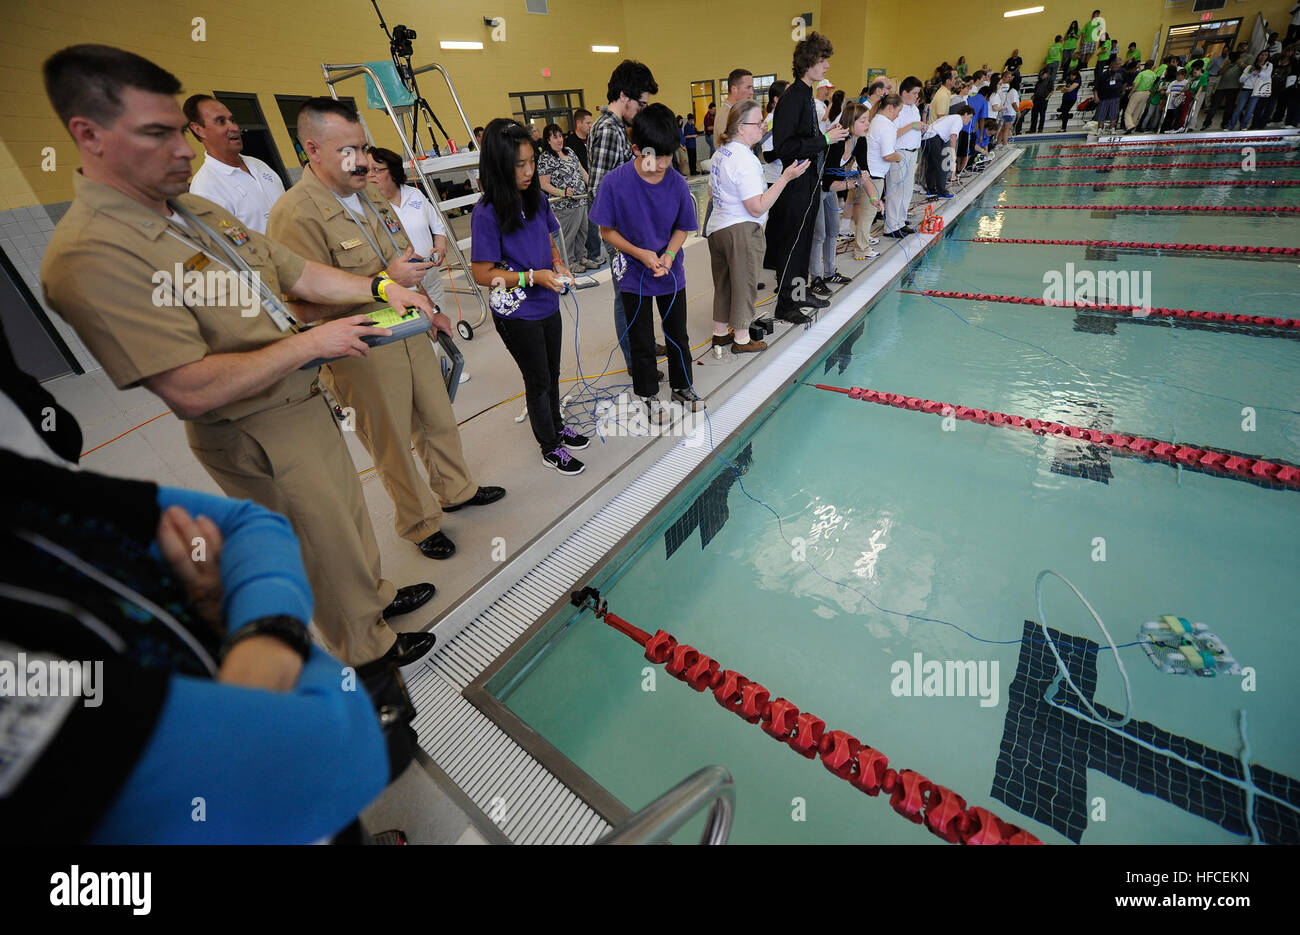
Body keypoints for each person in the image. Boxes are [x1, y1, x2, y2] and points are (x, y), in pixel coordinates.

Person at [39, 44, 440, 668]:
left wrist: (382, 288)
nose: (182, 149)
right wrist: (314, 341)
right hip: (253, 426)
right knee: (318, 542)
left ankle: (374, 601)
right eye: (158, 134)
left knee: (346, 520)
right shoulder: (93, 255)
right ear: (88, 135)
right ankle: (367, 657)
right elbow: (190, 387)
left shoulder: (193, 213)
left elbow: (297, 273)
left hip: (300, 398)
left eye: (181, 131)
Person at [268, 98, 505, 566]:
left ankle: (455, 490)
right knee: (392, 439)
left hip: (411, 330)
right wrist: (384, 285)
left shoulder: (370, 196)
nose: (361, 161)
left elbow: (404, 261)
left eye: (363, 147)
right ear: (312, 149)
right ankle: (419, 522)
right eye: (347, 151)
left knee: (436, 417)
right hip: (361, 349)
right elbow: (297, 303)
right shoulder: (296, 215)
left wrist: (431, 309)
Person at [469, 119, 589, 477]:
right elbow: (482, 274)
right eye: (519, 165)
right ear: (498, 166)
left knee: (551, 372)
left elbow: (549, 241)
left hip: (546, 301)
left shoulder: (536, 198)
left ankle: (556, 424)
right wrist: (531, 277)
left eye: (531, 163)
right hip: (517, 312)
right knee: (536, 379)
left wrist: (556, 265)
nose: (528, 171)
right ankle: (549, 446)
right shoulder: (486, 213)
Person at [590, 103, 702, 419]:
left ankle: (682, 386)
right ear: (637, 149)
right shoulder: (615, 183)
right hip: (633, 275)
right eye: (656, 159)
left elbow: (683, 226)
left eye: (668, 159)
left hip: (669, 271)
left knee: (677, 334)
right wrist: (639, 253)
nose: (662, 166)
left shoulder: (676, 181)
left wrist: (668, 255)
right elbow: (606, 231)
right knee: (641, 340)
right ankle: (648, 394)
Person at [707, 99, 810, 354]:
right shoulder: (745, 159)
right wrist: (786, 177)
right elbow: (757, 206)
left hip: (717, 227)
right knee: (744, 284)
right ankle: (741, 339)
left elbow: (710, 191)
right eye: (758, 122)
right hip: (740, 230)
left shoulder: (722, 152)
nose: (763, 127)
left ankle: (720, 334)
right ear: (741, 127)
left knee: (723, 284)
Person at [764, 31, 848, 325]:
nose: (826, 66)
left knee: (803, 241)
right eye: (823, 60)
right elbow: (784, 147)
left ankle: (799, 294)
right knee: (793, 244)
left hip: (808, 181)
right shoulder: (791, 99)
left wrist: (827, 139)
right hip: (795, 182)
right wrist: (825, 139)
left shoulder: (805, 96)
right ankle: (785, 305)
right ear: (809, 61)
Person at [589, 58, 659, 374]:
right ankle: (636, 361)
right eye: (640, 104)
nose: (641, 110)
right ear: (623, 96)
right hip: (620, 234)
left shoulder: (619, 128)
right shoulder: (606, 130)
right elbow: (599, 191)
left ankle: (642, 344)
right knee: (627, 297)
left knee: (640, 293)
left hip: (631, 227)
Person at [363, 146, 454, 339]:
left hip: (430, 274)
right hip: (402, 282)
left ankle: (445, 368)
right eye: (367, 170)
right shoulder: (368, 207)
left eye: (377, 169)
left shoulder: (415, 195)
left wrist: (441, 246)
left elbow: (438, 226)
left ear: (393, 172)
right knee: (418, 332)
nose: (370, 175)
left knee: (439, 321)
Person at [184, 94, 285, 234]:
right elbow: (229, 249)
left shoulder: (259, 165)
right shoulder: (205, 189)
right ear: (198, 130)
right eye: (221, 121)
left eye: (232, 120)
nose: (234, 127)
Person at [822, 101, 881, 261]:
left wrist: (874, 198)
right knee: (818, 233)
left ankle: (830, 271)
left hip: (829, 188)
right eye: (862, 121)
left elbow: (864, 173)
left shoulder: (860, 140)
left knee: (833, 229)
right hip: (815, 187)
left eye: (868, 119)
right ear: (849, 123)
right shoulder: (837, 143)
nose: (868, 123)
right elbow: (828, 184)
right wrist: (854, 183)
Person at [536, 123, 593, 271]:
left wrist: (592, 186)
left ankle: (582, 257)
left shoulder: (569, 151)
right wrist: (562, 193)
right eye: (555, 137)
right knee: (568, 235)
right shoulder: (545, 158)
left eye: (560, 136)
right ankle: (570, 262)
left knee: (583, 231)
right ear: (548, 140)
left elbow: (581, 171)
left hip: (581, 199)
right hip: (564, 205)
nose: (559, 140)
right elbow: (544, 184)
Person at [565, 108, 605, 269]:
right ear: (579, 123)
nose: (591, 125)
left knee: (593, 223)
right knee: (586, 226)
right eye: (588, 123)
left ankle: (592, 253)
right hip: (580, 192)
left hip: (593, 186)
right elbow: (577, 169)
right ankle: (588, 255)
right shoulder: (570, 145)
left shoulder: (592, 140)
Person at [886, 78, 924, 237]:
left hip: (913, 152)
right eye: (914, 93)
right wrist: (912, 126)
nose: (917, 96)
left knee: (907, 190)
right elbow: (892, 134)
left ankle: (900, 221)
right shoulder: (897, 109)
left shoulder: (914, 108)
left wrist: (921, 128)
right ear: (904, 93)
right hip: (899, 153)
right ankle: (891, 226)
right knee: (896, 190)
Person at [868, 94, 905, 238]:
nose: (898, 115)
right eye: (898, 110)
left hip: (869, 171)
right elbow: (888, 155)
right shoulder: (886, 125)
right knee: (868, 213)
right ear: (890, 108)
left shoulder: (876, 120)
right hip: (874, 174)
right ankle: (862, 247)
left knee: (865, 212)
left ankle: (863, 241)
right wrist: (899, 157)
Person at [921, 104, 973, 197]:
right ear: (965, 114)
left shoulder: (951, 117)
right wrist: (953, 154)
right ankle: (941, 191)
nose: (970, 120)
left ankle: (931, 190)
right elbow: (953, 137)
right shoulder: (958, 120)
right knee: (942, 164)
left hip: (927, 138)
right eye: (970, 117)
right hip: (933, 137)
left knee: (931, 165)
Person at [1226, 51, 1273, 130]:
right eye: (1262, 55)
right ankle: (1230, 126)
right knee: (1238, 109)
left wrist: (1259, 70)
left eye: (1266, 55)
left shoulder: (1268, 66)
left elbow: (1266, 78)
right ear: (1258, 56)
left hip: (1256, 91)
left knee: (1250, 111)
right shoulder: (1249, 67)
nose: (1263, 57)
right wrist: (1250, 72)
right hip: (1246, 89)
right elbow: (1241, 80)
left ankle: (1243, 126)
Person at [1201, 51, 1243, 129]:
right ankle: (1206, 123)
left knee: (1229, 108)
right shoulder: (1226, 64)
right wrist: (1226, 64)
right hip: (1221, 87)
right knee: (1214, 106)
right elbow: (1219, 73)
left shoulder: (1240, 65)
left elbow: (1246, 72)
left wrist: (1240, 64)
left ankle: (1225, 123)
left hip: (1233, 88)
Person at [716, 69, 755, 150]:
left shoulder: (735, 112)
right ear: (734, 89)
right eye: (748, 87)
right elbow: (731, 149)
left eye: (752, 88)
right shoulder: (725, 115)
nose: (752, 92)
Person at [958, 72, 990, 173]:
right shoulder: (983, 101)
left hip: (960, 127)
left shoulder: (969, 98)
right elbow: (982, 119)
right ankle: (960, 170)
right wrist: (981, 134)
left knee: (960, 151)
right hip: (969, 128)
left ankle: (958, 170)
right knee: (968, 151)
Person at [1095, 56, 1126, 132]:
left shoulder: (1122, 72)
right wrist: (1096, 96)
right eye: (1117, 64)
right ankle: (1100, 129)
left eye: (1119, 64)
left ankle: (1112, 128)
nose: (1118, 66)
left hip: (1115, 97)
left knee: (1114, 113)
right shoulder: (1104, 74)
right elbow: (1097, 86)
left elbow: (1125, 82)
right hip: (1104, 97)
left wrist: (1123, 90)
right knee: (1102, 113)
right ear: (1112, 64)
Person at [1125, 61, 1158, 132]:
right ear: (1152, 66)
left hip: (1138, 92)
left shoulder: (1141, 74)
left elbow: (1136, 84)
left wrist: (1131, 92)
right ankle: (1132, 127)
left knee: (1128, 112)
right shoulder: (1154, 75)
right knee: (1137, 111)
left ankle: (1129, 126)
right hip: (1146, 93)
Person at [990, 71, 1020, 145]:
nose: (1010, 79)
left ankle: (997, 142)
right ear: (1004, 77)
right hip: (997, 108)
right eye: (1008, 77)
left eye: (1010, 77)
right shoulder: (998, 87)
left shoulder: (1008, 86)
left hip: (1003, 109)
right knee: (997, 126)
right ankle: (994, 141)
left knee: (1001, 127)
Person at [1029, 68, 1054, 133]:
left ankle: (1040, 129)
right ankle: (1032, 129)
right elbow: (1036, 90)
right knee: (1034, 115)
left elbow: (1051, 91)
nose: (1041, 76)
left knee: (1042, 115)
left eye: (1042, 75)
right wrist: (1033, 96)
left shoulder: (1049, 81)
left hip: (1043, 99)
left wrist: (1047, 98)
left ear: (1046, 74)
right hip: (1036, 99)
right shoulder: (1039, 81)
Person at [1057, 68, 1082, 132]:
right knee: (1063, 112)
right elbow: (1062, 91)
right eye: (1071, 75)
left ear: (1076, 76)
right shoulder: (1069, 81)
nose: (1071, 77)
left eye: (1073, 75)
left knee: (1065, 112)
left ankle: (1064, 128)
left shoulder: (1077, 81)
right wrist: (1065, 89)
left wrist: (1065, 88)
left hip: (1071, 98)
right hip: (1065, 98)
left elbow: (1070, 89)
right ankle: (1063, 127)